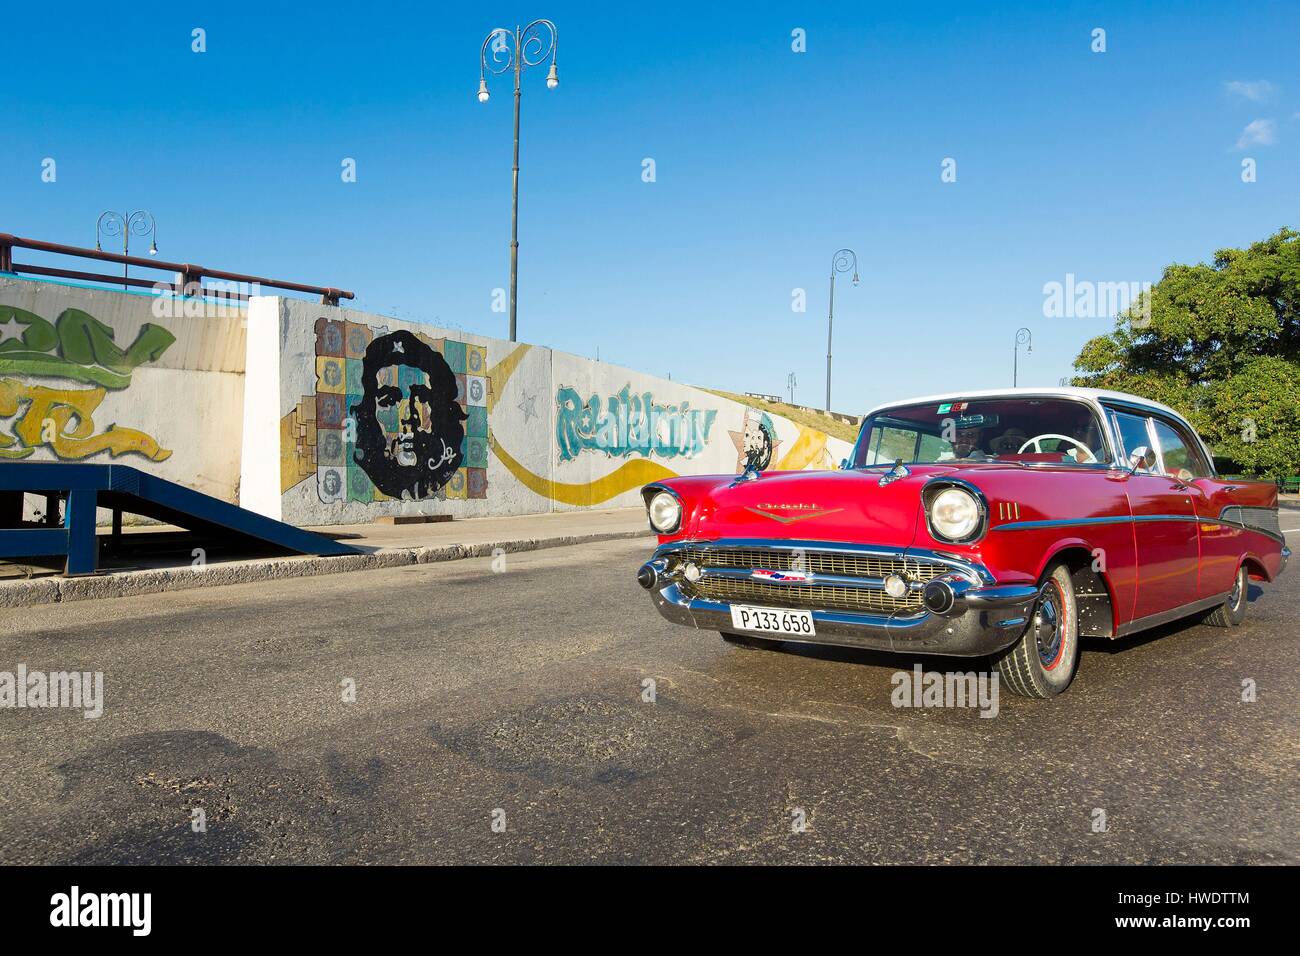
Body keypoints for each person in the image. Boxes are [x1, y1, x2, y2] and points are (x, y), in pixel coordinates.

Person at [351, 330, 466, 499]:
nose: (407, 419)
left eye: (421, 400)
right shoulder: (372, 470)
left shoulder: (445, 466)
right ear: (369, 408)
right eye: (389, 401)